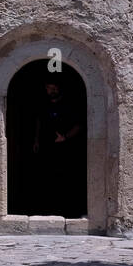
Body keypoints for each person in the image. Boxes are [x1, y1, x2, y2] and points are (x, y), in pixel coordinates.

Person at [32, 79, 85, 216]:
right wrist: (36, 140)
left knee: (66, 178)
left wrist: (65, 137)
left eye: (54, 88)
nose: (51, 91)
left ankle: (68, 210)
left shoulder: (69, 105)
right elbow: (38, 121)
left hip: (66, 149)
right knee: (46, 178)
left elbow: (79, 125)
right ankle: (47, 208)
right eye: (49, 88)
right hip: (47, 147)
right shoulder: (44, 105)